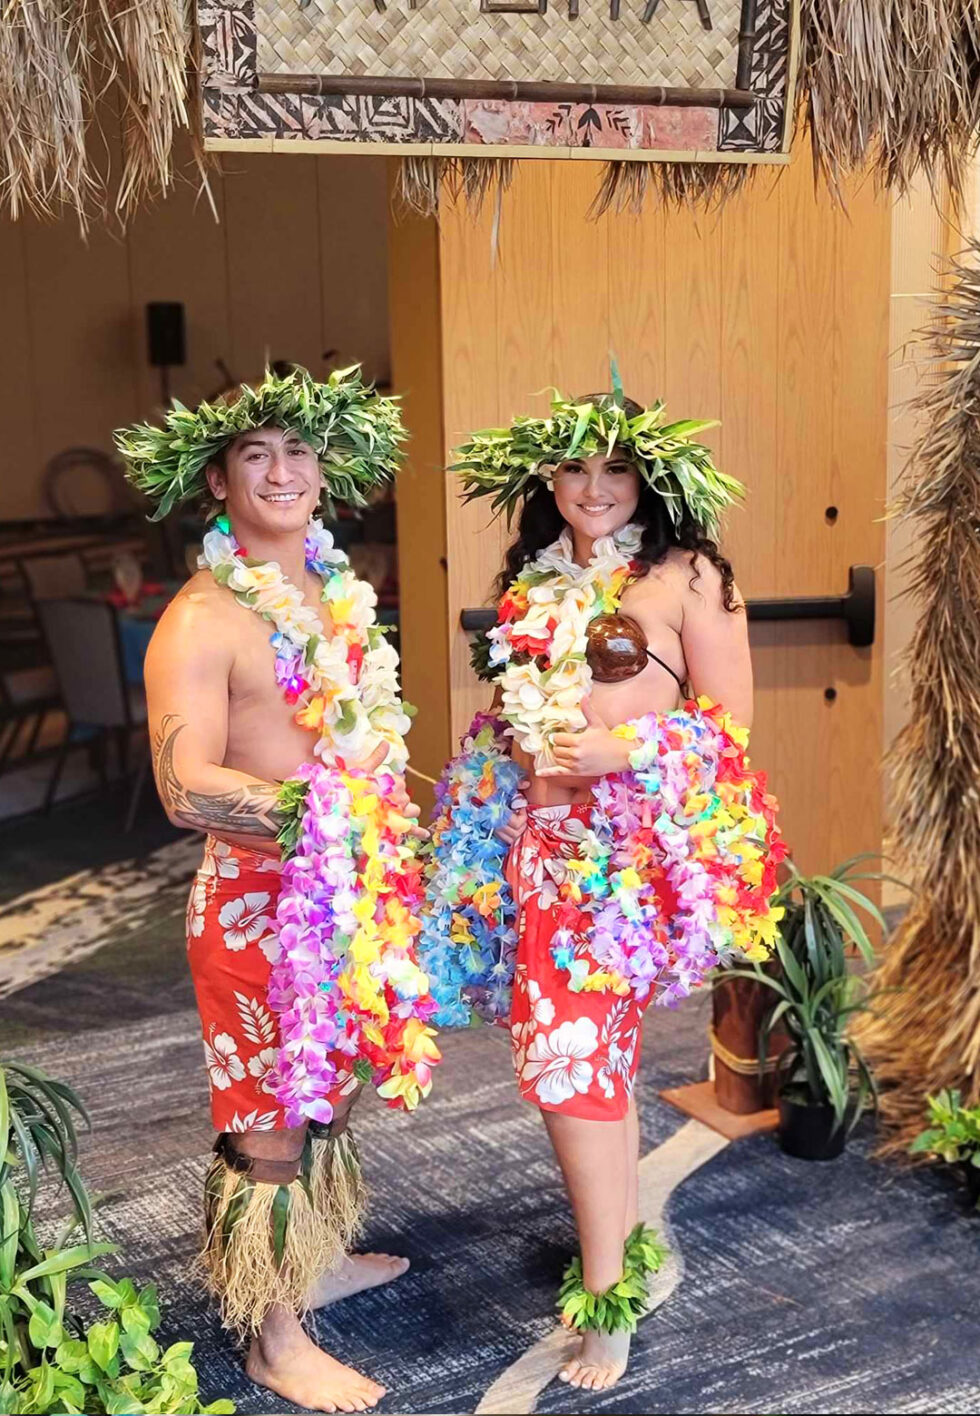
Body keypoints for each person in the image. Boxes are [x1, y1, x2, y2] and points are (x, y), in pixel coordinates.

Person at [420, 382, 785, 1392]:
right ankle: (619, 1257)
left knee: (568, 1071)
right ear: (548, 478)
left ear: (648, 479)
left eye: (614, 468)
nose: (593, 487)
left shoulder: (687, 577)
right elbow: (512, 717)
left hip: (619, 871)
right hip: (537, 852)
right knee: (588, 1068)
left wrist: (617, 745)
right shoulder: (532, 583)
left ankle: (604, 1297)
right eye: (575, 468)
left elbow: (730, 724)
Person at [116, 366, 439, 1414]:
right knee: (267, 1122)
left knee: (329, 1089)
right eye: (256, 454)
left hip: (350, 896)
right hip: (260, 906)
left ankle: (313, 1259)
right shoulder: (203, 619)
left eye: (299, 453)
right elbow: (180, 785)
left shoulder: (329, 591)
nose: (283, 471)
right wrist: (317, 815)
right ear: (218, 480)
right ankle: (275, 1334)